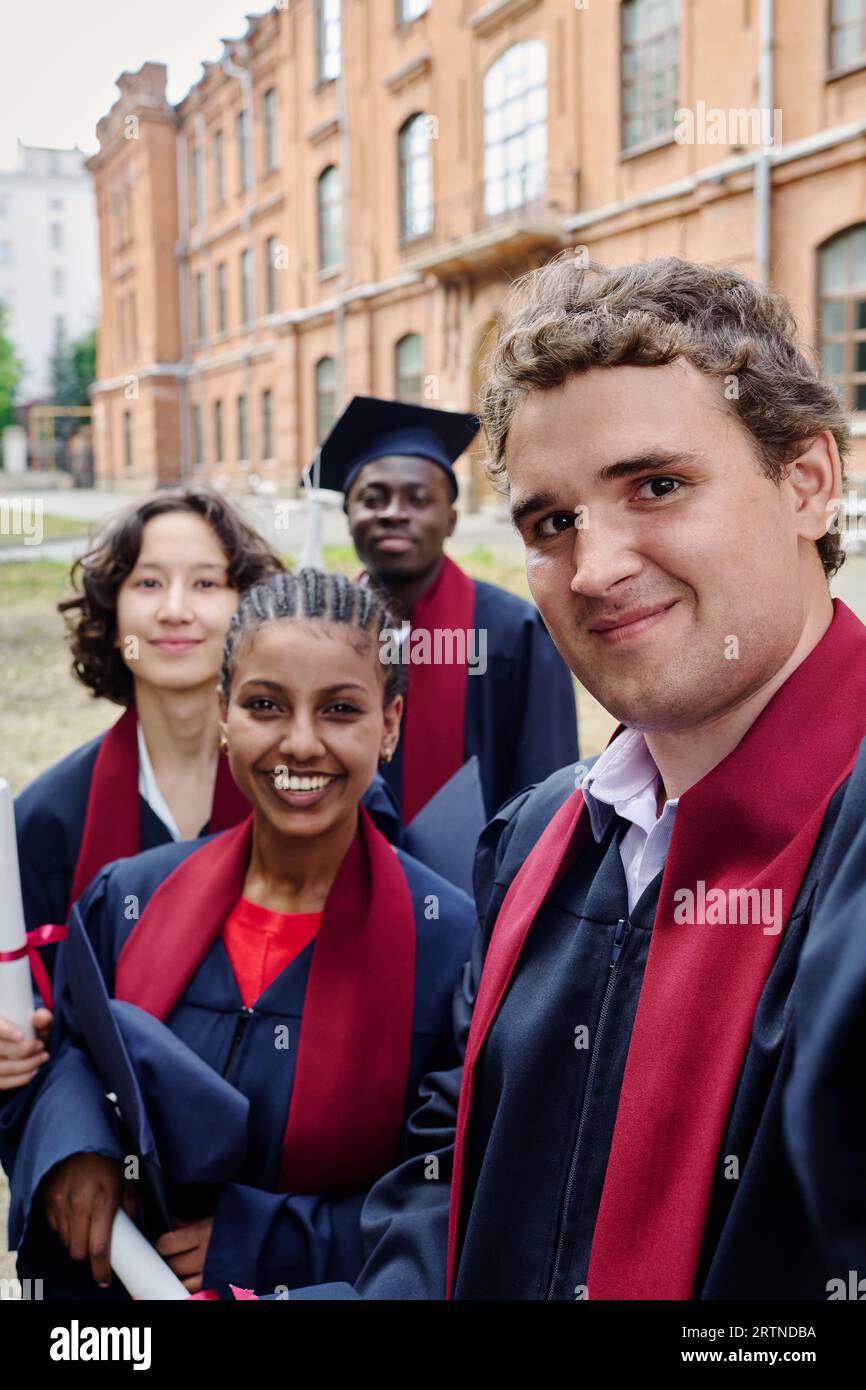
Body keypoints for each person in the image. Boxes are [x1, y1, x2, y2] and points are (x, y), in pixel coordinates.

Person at [284, 255, 866, 1300]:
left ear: (806, 483)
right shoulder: (540, 835)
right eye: (552, 522)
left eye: (656, 485)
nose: (593, 569)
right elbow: (447, 1155)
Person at [2, 570, 475, 1298]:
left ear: (391, 725)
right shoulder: (129, 897)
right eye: (264, 705)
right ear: (224, 712)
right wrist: (77, 1148)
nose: (301, 743)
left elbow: (450, 1193)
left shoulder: (451, 947)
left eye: (341, 710)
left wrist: (273, 1243)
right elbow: (72, 1056)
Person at [317, 396, 579, 822]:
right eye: (372, 499)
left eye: (418, 500)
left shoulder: (514, 634)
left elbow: (546, 790)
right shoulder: (318, 631)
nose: (393, 514)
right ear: (348, 515)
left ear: (451, 520)